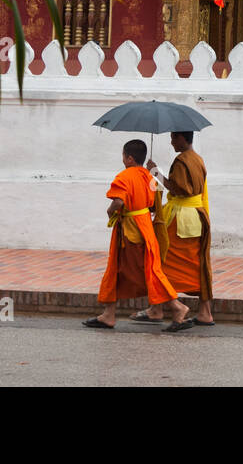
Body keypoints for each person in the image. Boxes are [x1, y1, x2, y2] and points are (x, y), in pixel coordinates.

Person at [84, 139, 193, 332]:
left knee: (148, 271)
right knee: (118, 269)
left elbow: (118, 202)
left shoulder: (124, 177)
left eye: (124, 156)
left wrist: (110, 212)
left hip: (131, 231)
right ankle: (108, 314)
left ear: (129, 158)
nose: (123, 159)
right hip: (145, 227)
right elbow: (154, 202)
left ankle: (177, 307)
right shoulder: (148, 176)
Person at [142, 131, 214, 325]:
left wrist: (154, 172)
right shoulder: (198, 159)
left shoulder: (182, 161)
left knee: (161, 260)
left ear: (184, 138)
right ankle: (204, 312)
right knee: (198, 264)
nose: (171, 141)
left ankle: (157, 309)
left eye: (174, 137)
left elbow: (177, 189)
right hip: (197, 216)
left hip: (182, 218)